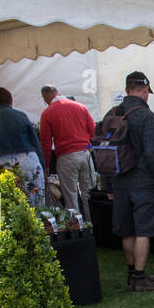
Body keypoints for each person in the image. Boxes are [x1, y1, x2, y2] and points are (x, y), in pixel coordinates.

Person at [108, 71, 154, 292]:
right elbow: (153, 154)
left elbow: (105, 151)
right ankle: (140, 278)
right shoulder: (145, 116)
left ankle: (131, 272)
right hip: (143, 181)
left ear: (126, 89)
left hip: (119, 179)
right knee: (143, 229)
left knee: (127, 230)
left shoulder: (112, 113)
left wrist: (109, 185)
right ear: (144, 90)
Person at [0, 88, 46, 207]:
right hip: (29, 161)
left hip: (4, 165)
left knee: (10, 202)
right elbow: (35, 143)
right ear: (11, 100)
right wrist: (43, 167)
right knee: (35, 200)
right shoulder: (21, 115)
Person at [38, 85, 96, 219]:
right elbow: (93, 131)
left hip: (66, 157)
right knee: (89, 193)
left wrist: (46, 165)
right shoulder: (80, 106)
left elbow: (45, 143)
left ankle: (79, 229)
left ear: (46, 97)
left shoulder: (47, 113)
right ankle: (94, 227)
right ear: (58, 93)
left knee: (71, 197)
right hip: (85, 154)